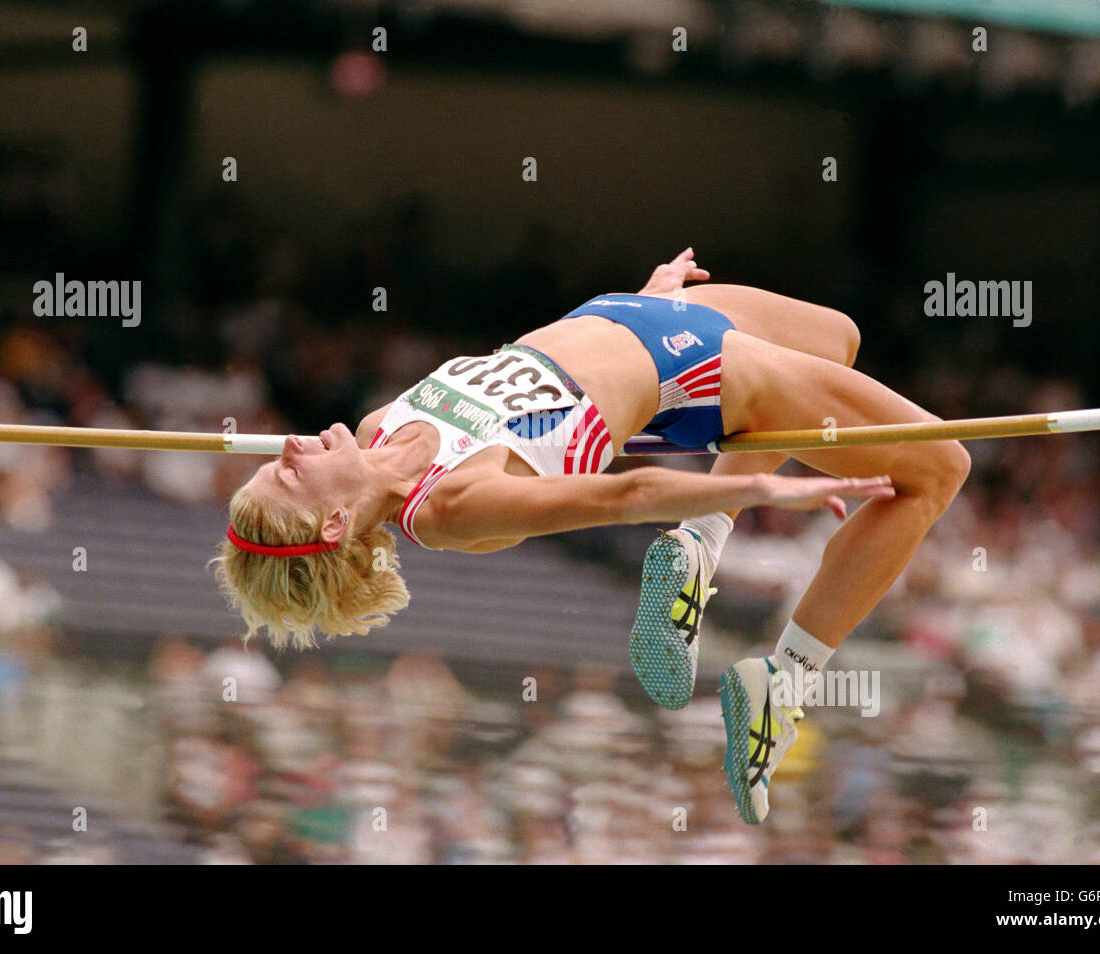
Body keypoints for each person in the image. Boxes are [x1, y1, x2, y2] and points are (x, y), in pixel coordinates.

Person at [213, 249, 970, 823]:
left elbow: (529, 369)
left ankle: (702, 547)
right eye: (284, 478)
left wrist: (643, 301)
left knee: (838, 335)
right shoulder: (452, 509)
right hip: (698, 370)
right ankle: (784, 681)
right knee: (941, 470)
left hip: (623, 318)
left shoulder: (383, 426)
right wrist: (758, 487)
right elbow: (625, 495)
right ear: (336, 523)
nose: (285, 451)